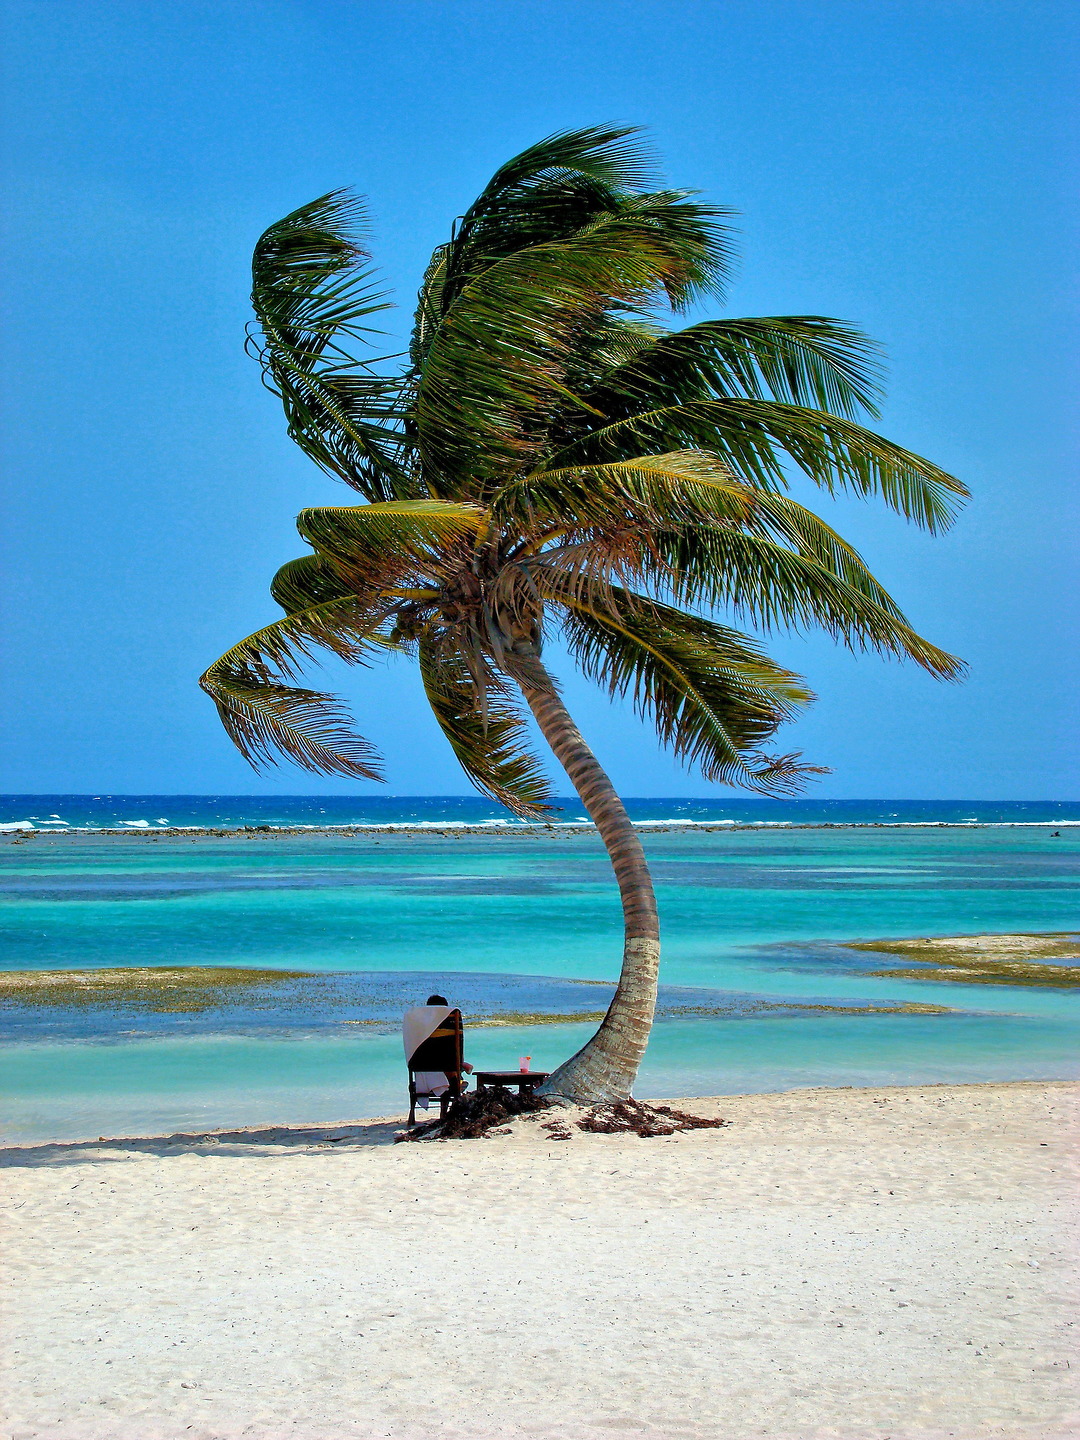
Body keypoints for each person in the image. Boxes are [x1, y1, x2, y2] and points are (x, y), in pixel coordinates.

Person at [402, 994, 473, 1111]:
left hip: (422, 1071)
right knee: (451, 1071)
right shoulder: (449, 1028)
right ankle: (447, 1108)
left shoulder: (419, 1033)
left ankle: (457, 1074)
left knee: (443, 1067)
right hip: (447, 1071)